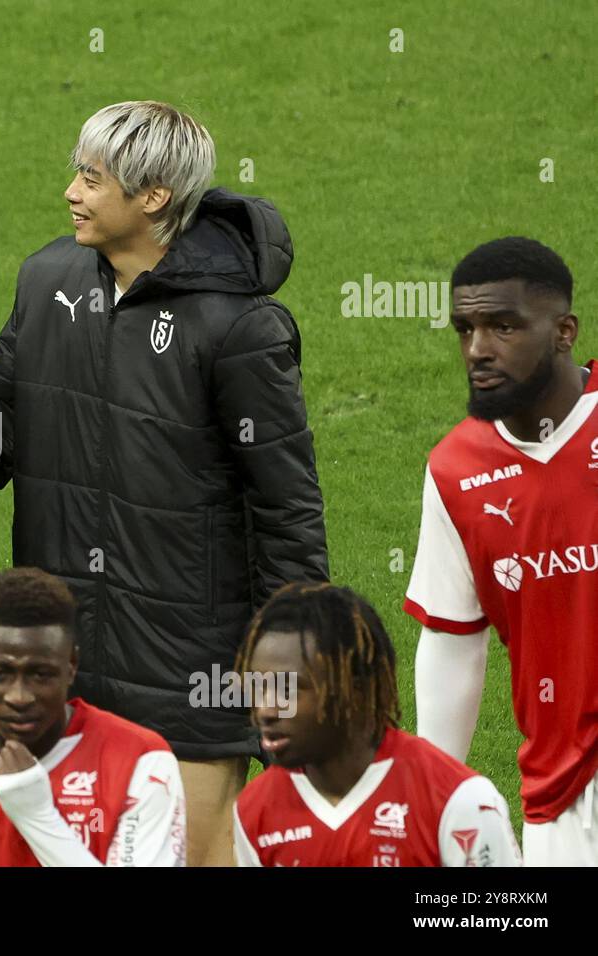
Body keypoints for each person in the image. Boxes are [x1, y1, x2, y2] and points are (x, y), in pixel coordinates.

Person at [0, 100, 328, 865]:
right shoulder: (48, 279)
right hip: (70, 648)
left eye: (93, 179)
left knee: (195, 853)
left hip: (190, 658)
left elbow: (286, 503)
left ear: (154, 197)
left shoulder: (239, 327)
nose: (72, 192)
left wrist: (290, 651)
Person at [405, 236, 597, 865]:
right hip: (562, 800)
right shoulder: (455, 472)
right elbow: (453, 638)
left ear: (564, 331)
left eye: (503, 327)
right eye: (465, 329)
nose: (478, 350)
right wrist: (436, 794)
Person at [0, 568, 185, 866]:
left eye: (40, 674)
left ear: (71, 665)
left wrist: (36, 816)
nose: (19, 696)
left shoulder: (141, 763)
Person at [234, 582, 520, 867]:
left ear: (353, 691)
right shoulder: (255, 811)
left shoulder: (459, 803)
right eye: (259, 688)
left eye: (289, 690)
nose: (265, 710)